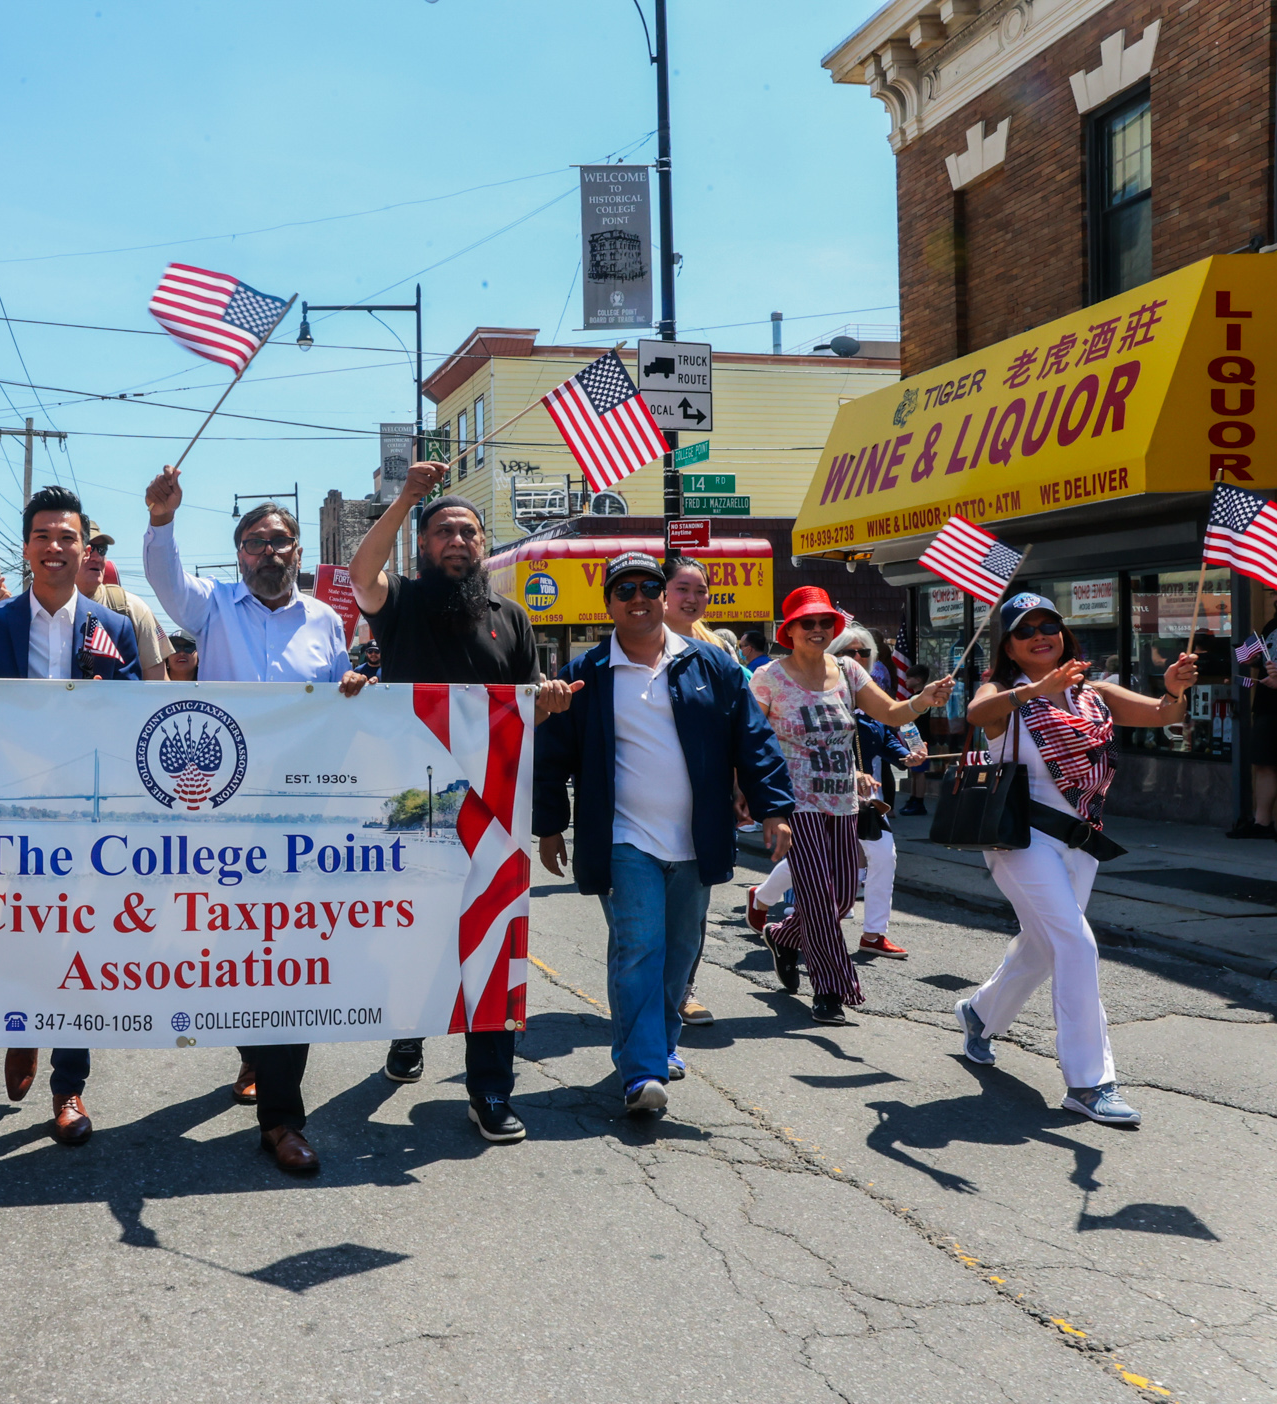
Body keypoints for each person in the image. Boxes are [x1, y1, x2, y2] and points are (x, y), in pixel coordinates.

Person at [349, 462, 579, 1143]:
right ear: (423, 545)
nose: (458, 540)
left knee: (493, 948)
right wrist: (407, 497)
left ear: (484, 545)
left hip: (493, 815)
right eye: (444, 531)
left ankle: (490, 1091)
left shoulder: (512, 619)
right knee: (416, 937)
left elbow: (525, 714)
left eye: (469, 531)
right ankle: (408, 1031)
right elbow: (361, 573)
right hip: (414, 807)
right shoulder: (402, 604)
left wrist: (551, 704)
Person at [143, 465, 362, 1175]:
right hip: (223, 822)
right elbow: (166, 579)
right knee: (238, 956)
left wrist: (356, 690)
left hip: (302, 821)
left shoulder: (328, 622)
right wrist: (162, 519)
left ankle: (281, 1117)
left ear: (300, 552)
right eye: (256, 542)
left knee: (288, 961)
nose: (271, 552)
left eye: (282, 541)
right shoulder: (212, 607)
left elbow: (340, 708)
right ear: (238, 553)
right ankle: (253, 1053)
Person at [534, 552, 794, 1114]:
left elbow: (753, 739)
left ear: (660, 597)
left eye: (647, 587)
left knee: (681, 951)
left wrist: (774, 807)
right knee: (639, 948)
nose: (637, 598)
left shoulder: (712, 666)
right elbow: (553, 754)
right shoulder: (587, 673)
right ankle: (642, 1070)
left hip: (696, 838)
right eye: (623, 589)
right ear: (608, 604)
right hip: (624, 838)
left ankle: (660, 1044)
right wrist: (551, 824)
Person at [954, 594, 1194, 1123]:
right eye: (1026, 630)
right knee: (1077, 945)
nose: (1041, 635)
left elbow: (1161, 714)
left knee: (1044, 948)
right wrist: (1038, 689)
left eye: (1050, 626)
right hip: (1021, 841)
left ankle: (979, 1013)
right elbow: (977, 713)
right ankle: (1089, 1083)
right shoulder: (1004, 692)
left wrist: (1174, 690)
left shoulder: (1095, 693)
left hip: (1080, 841)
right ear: (1010, 647)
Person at [0, 485, 140, 1147]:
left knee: (79, 946)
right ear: (26, 547)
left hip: (86, 819)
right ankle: (21, 1027)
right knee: (18, 934)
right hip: (12, 811)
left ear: (83, 548)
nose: (55, 547)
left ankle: (69, 1086)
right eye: (43, 536)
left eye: (68, 537)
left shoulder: (111, 627)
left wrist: (109, 695)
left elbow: (136, 709)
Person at [748, 585, 951, 1025]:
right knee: (820, 897)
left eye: (825, 622)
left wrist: (924, 699)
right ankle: (831, 988)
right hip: (793, 803)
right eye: (808, 623)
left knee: (839, 898)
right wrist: (754, 799)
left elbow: (894, 714)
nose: (818, 629)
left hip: (843, 803)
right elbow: (750, 743)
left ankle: (784, 935)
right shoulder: (766, 678)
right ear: (791, 629)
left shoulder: (848, 672)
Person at [750, 626, 919, 960]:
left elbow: (887, 734)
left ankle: (873, 933)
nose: (857, 658)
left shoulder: (868, 690)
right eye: (850, 652)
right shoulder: (792, 682)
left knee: (881, 857)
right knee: (812, 871)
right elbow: (760, 736)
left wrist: (906, 755)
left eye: (864, 653)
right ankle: (828, 976)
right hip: (806, 795)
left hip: (859, 800)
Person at [663, 556, 734, 1026]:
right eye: (682, 589)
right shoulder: (635, 647)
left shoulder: (716, 654)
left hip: (704, 803)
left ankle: (683, 991)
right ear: (662, 594)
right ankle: (645, 995)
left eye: (700, 590)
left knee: (694, 909)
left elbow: (738, 726)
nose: (692, 599)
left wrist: (741, 785)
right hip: (645, 803)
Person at [83, 521, 173, 681]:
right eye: (88, 549)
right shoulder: (43, 610)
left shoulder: (132, 609)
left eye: (102, 550)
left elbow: (159, 690)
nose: (96, 557)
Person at [1232, 609, 1277, 839]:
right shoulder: (1272, 625)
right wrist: (1254, 661)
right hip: (1266, 703)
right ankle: (1263, 823)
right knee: (1263, 762)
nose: (1276, 598)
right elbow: (1265, 659)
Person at [899, 663, 935, 815]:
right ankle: (913, 797)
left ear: (919, 680)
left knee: (920, 772)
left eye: (909, 678)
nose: (906, 681)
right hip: (911, 738)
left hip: (921, 739)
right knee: (914, 771)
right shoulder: (913, 697)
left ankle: (919, 801)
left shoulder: (921, 698)